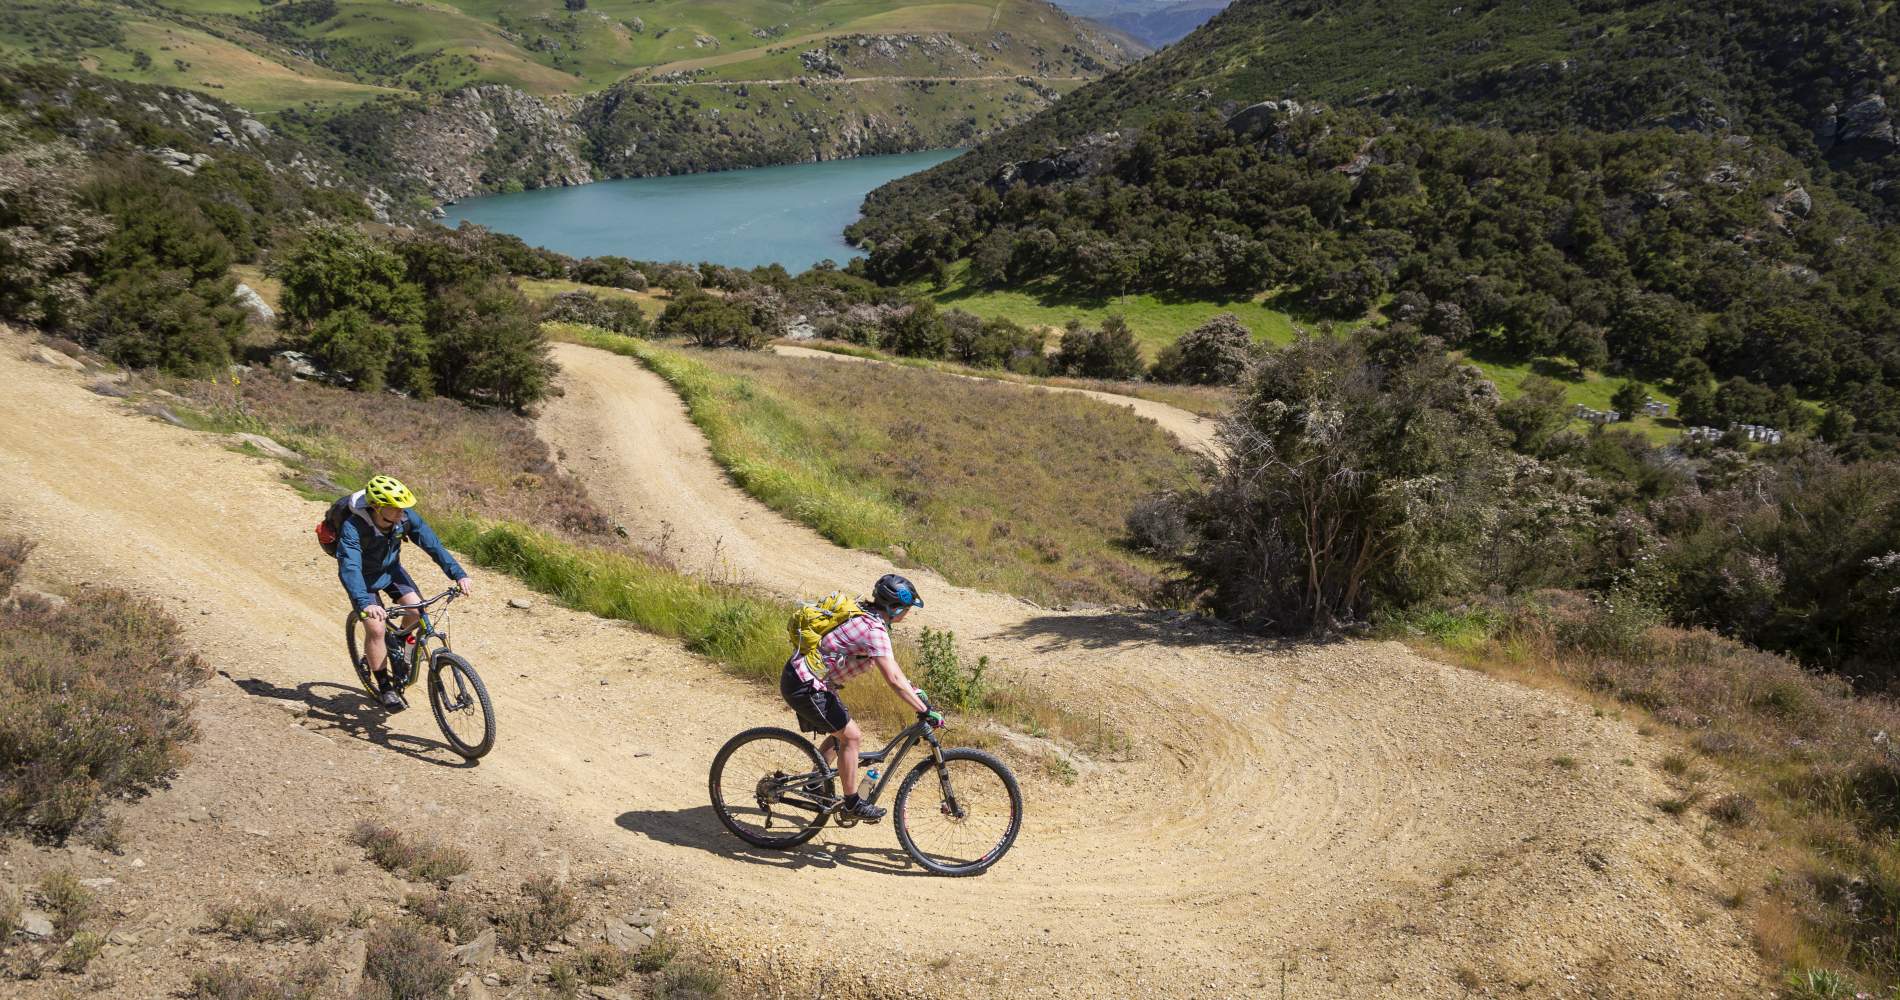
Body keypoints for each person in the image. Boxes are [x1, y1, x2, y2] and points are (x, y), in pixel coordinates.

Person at [779, 574, 940, 821]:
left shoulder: (868, 615)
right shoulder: (874, 630)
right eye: (907, 609)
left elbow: (893, 667)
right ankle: (853, 803)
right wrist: (924, 710)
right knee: (851, 737)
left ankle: (813, 785)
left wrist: (915, 693)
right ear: (895, 608)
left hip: (809, 680)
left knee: (840, 734)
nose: (908, 614)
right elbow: (893, 680)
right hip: (805, 684)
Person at [335, 475, 472, 711]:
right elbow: (350, 567)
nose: (402, 512)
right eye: (395, 507)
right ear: (377, 507)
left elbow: (433, 546)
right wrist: (364, 603)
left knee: (417, 610)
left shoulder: (405, 519)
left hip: (391, 570)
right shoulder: (353, 528)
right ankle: (385, 687)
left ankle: (397, 641)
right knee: (376, 627)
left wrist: (458, 574)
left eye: (403, 507)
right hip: (364, 581)